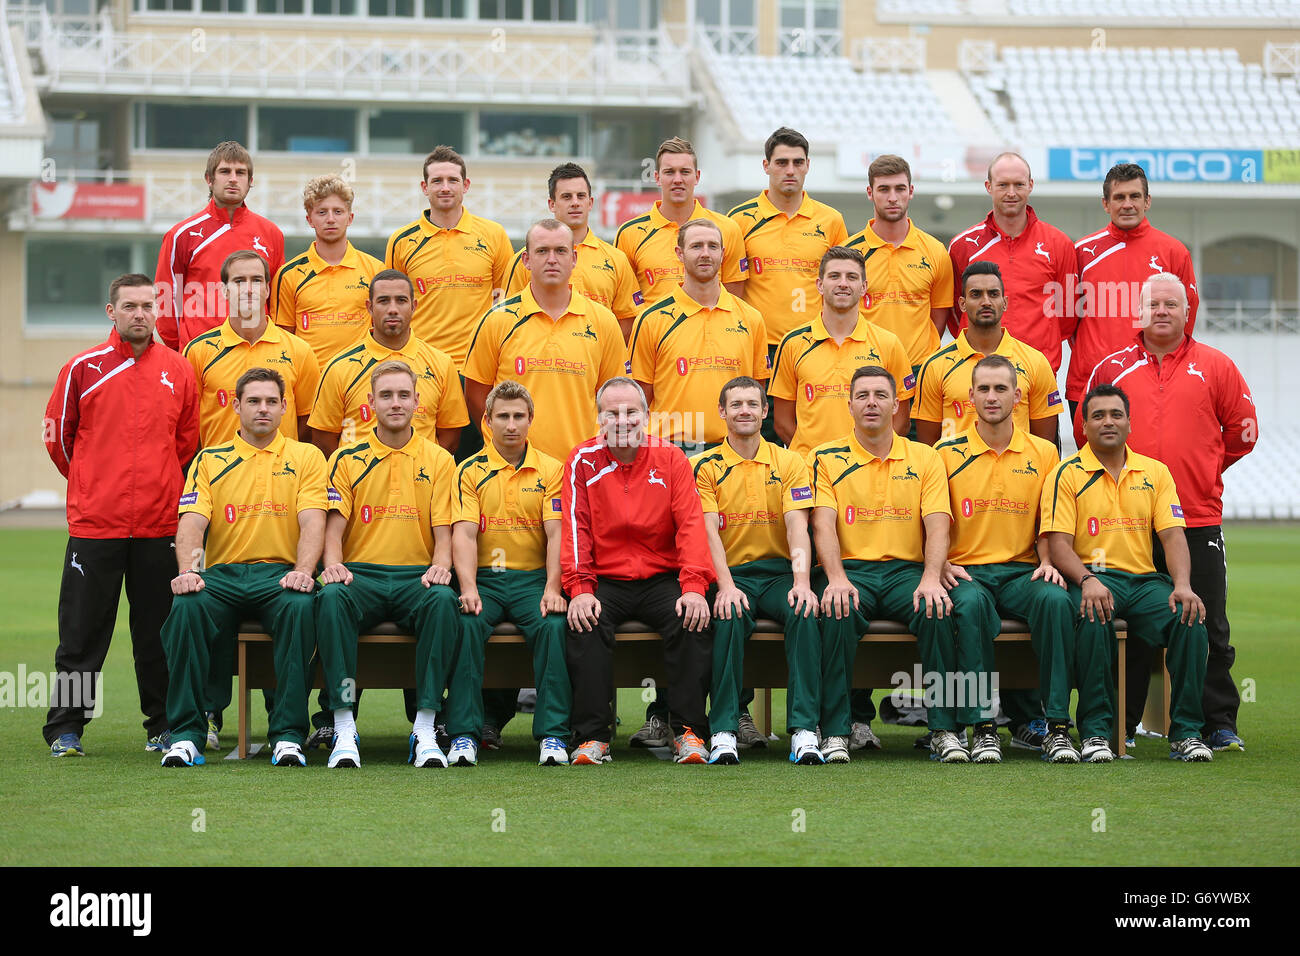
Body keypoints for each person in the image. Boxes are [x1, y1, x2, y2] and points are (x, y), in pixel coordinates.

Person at [1075, 273, 1256, 752]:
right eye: (1153, 303)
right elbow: (1084, 435)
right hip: (1124, 523)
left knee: (1208, 622)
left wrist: (1201, 468)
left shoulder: (1216, 366)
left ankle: (1216, 723)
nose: (1161, 311)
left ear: (1186, 310)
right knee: (1128, 626)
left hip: (1194, 519)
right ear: (1138, 310)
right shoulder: (1110, 367)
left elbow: (1243, 432)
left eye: (1171, 304)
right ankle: (1125, 724)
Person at [41, 274, 200, 757]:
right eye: (129, 306)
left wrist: (157, 488)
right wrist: (92, 486)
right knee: (81, 637)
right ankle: (66, 729)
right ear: (111, 311)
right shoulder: (82, 368)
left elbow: (187, 444)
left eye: (147, 305)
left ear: (157, 311)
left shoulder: (179, 370)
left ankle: (163, 727)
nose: (140, 314)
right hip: (96, 527)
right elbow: (58, 438)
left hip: (158, 527)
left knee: (158, 637)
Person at [158, 367, 326, 768]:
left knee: (301, 606)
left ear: (286, 407)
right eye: (253, 401)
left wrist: (304, 570)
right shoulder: (210, 459)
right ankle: (186, 735)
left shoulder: (307, 457)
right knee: (186, 607)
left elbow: (313, 522)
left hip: (280, 575)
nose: (263, 409)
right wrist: (189, 571)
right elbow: (192, 524)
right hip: (224, 577)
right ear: (235, 406)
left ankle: (287, 735)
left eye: (271, 401)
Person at [1042, 383, 1213, 762]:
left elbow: (1172, 536)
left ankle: (1185, 732)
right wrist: (1087, 580)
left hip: (1145, 582)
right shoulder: (1066, 473)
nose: (1108, 422)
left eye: (1116, 415)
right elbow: (1059, 545)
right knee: (1092, 614)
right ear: (1082, 425)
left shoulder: (1155, 472)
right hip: (1093, 579)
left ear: (1129, 423)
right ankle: (1096, 733)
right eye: (1098, 415)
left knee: (1190, 618)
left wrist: (1183, 585)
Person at [809, 366, 962, 762]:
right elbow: (822, 525)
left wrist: (931, 579)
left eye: (880, 395)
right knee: (837, 608)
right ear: (849, 406)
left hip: (905, 574)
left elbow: (938, 524)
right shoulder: (824, 457)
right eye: (862, 395)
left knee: (937, 608)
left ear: (897, 404)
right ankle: (837, 732)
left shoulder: (925, 457)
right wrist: (836, 579)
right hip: (853, 570)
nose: (872, 402)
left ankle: (944, 729)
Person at [314, 360, 462, 769]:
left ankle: (426, 727)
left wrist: (441, 565)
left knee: (444, 602)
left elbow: (444, 527)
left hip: (417, 578)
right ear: (370, 402)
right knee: (329, 598)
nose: (395, 403)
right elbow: (333, 525)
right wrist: (333, 565)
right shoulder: (346, 458)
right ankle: (344, 725)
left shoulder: (440, 460)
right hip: (363, 575)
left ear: (418, 402)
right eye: (386, 395)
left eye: (403, 395)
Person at [563, 377, 715, 765]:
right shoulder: (581, 460)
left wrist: (694, 585)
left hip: (661, 577)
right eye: (612, 412)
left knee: (692, 618)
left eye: (631, 411)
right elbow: (575, 528)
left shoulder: (672, 459)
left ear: (646, 416)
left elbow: (691, 526)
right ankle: (592, 737)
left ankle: (687, 732)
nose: (622, 420)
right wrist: (580, 589)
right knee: (585, 622)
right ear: (598, 417)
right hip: (605, 579)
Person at [935, 355, 1077, 762]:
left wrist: (1048, 559)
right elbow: (931, 522)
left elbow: (1049, 520)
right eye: (984, 389)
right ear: (970, 396)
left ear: (1018, 396)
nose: (992, 397)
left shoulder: (1046, 453)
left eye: (1001, 389)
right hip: (966, 572)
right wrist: (940, 563)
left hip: (1021, 573)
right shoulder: (944, 453)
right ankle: (982, 727)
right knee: (969, 607)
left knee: (1055, 601)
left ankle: (1056, 727)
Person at [691, 377, 821, 765]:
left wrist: (801, 582)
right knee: (728, 612)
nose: (744, 411)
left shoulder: (790, 461)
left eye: (752, 404)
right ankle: (725, 730)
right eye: (736, 405)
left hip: (781, 573)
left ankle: (803, 730)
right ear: (722, 412)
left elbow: (798, 526)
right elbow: (708, 532)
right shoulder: (704, 464)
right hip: (734, 575)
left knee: (803, 608)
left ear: (765, 412)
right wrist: (726, 587)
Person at [445, 381, 571, 766]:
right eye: (503, 416)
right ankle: (464, 735)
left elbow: (556, 533)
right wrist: (467, 587)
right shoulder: (468, 470)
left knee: (553, 624)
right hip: (486, 581)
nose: (511, 424)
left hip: (533, 579)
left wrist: (553, 588)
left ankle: (553, 736)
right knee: (465, 622)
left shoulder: (552, 469)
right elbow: (463, 534)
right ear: (487, 421)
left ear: (531, 420)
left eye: (519, 416)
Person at [464, 219, 625, 464]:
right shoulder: (497, 320)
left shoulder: (603, 321)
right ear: (526, 260)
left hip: (581, 469)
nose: (552, 259)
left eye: (560, 251)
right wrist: (503, 446)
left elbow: (614, 398)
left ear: (574, 258)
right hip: (514, 469)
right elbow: (476, 395)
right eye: (542, 251)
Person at [1068, 163, 1199, 419]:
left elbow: (1185, 320)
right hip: (1090, 383)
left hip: (1151, 384)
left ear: (1147, 201)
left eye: (1134, 196)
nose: (1127, 204)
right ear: (1106, 204)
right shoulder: (1081, 252)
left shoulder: (1174, 252)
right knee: (1093, 460)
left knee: (1150, 460)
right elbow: (1065, 319)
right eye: (1119, 197)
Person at [628, 218, 768, 449]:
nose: (705, 254)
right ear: (679, 253)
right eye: (696, 246)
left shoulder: (751, 318)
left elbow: (755, 393)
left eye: (712, 246)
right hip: (670, 448)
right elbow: (640, 398)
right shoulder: (651, 319)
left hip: (731, 449)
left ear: (723, 254)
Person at [770, 246, 914, 457]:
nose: (843, 284)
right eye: (834, 276)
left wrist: (870, 457)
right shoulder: (792, 343)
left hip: (867, 470)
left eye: (852, 277)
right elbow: (782, 422)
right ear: (819, 284)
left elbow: (901, 420)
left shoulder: (888, 343)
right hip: (811, 473)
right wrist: (815, 460)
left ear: (864, 287)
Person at [308, 269, 467, 458]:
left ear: (414, 306)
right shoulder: (338, 367)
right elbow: (323, 438)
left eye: (401, 300)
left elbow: (450, 436)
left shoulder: (442, 364)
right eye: (383, 301)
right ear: (369, 307)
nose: (393, 309)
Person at [947, 152, 1077, 373]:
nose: (1011, 193)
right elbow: (954, 310)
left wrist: (1041, 345)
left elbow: (1068, 315)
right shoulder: (963, 245)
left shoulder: (1059, 244)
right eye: (1003, 185)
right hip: (976, 372)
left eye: (1018, 184)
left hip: (1038, 373)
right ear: (989, 186)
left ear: (1031, 185)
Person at [384, 145, 512, 370]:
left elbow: (511, 300)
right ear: (425, 187)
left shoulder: (494, 234)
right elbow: (391, 305)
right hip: (420, 365)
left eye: (452, 180)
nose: (445, 188)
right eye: (437, 181)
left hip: (477, 366)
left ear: (466, 185)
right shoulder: (401, 241)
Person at [914, 261, 1063, 447]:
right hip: (956, 475)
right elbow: (928, 450)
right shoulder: (935, 365)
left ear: (1005, 302)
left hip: (1019, 475)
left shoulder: (1036, 362)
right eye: (976, 294)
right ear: (962, 304)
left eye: (993, 294)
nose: (986, 301)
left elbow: (1045, 446)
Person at [183, 249, 320, 448]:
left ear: (267, 289)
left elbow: (307, 424)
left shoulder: (300, 351)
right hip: (222, 475)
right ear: (224, 290)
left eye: (256, 281)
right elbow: (187, 422)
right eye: (239, 281)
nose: (248, 289)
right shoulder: (198, 351)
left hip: (281, 475)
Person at [155, 141, 285, 351]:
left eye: (240, 173)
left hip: (257, 352)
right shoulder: (181, 235)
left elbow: (278, 301)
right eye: (225, 171)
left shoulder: (271, 234)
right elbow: (166, 299)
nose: (233, 179)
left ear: (250, 181)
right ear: (209, 179)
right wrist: (184, 348)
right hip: (202, 353)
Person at [727, 127, 848, 350]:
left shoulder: (831, 220)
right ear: (766, 166)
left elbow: (841, 287)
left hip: (814, 344)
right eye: (782, 163)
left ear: (808, 165)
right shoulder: (739, 219)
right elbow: (730, 290)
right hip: (757, 345)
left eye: (798, 163)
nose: (790, 170)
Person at [844, 154, 954, 374]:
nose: (892, 197)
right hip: (862, 372)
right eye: (884, 189)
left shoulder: (935, 251)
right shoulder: (848, 253)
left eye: (900, 189)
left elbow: (938, 318)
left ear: (911, 191)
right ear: (870, 193)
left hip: (919, 372)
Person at [504, 163, 640, 340]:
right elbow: (509, 316)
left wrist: (598, 350)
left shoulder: (616, 259)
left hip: (594, 364)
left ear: (590, 203)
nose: (575, 203)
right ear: (552, 204)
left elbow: (627, 321)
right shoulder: (526, 260)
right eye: (567, 197)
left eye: (581, 196)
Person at [616, 137, 747, 306]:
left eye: (685, 172)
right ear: (657, 177)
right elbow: (625, 304)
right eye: (669, 172)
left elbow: (734, 302)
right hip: (654, 332)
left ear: (697, 176)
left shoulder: (727, 229)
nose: (677, 179)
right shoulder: (629, 233)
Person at [272, 174, 384, 370]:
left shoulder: (376, 270)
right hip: (310, 383)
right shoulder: (288, 275)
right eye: (322, 212)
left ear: (350, 218)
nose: (331, 219)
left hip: (360, 380)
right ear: (309, 219)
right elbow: (284, 341)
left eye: (338, 211)